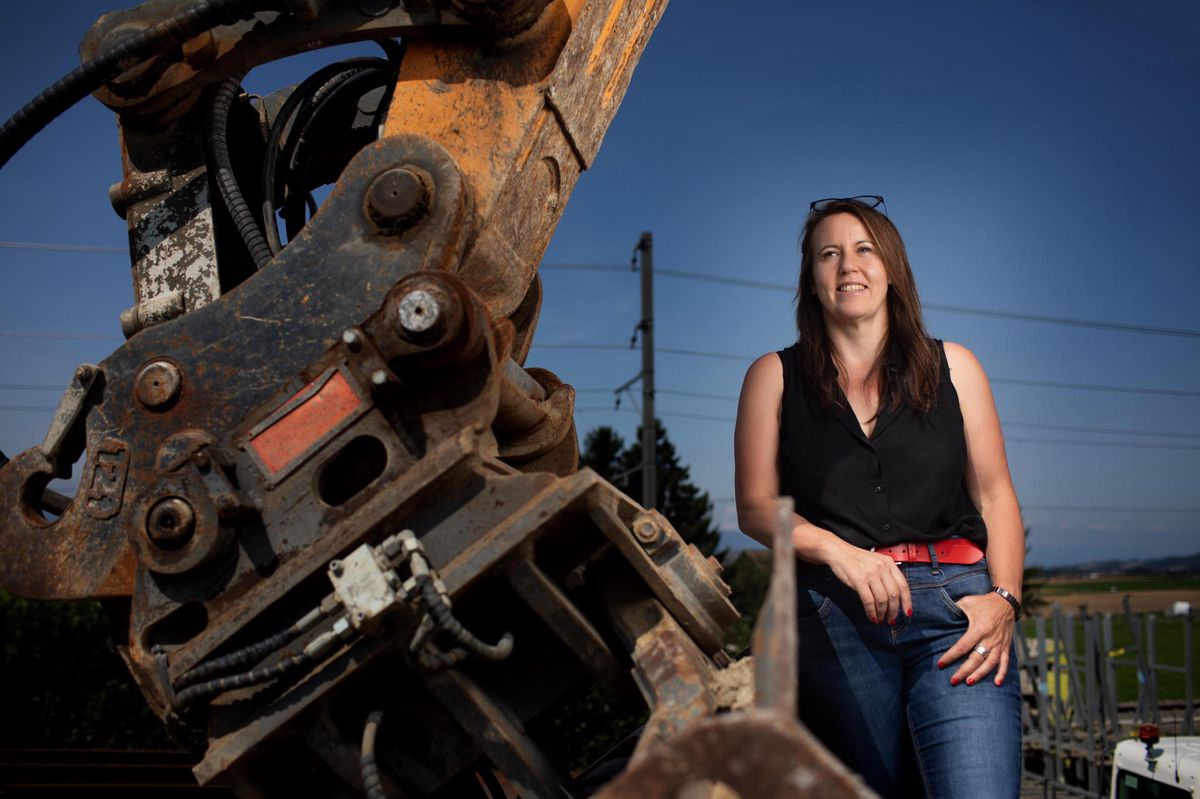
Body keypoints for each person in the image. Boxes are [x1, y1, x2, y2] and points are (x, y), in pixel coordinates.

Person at [734, 196, 1025, 798]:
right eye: (828, 254)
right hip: (833, 617)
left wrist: (1005, 600)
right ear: (811, 281)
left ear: (891, 268)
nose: (848, 265)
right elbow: (756, 507)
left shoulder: (957, 367)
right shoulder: (772, 376)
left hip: (957, 614)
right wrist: (840, 553)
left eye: (864, 249)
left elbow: (996, 497)